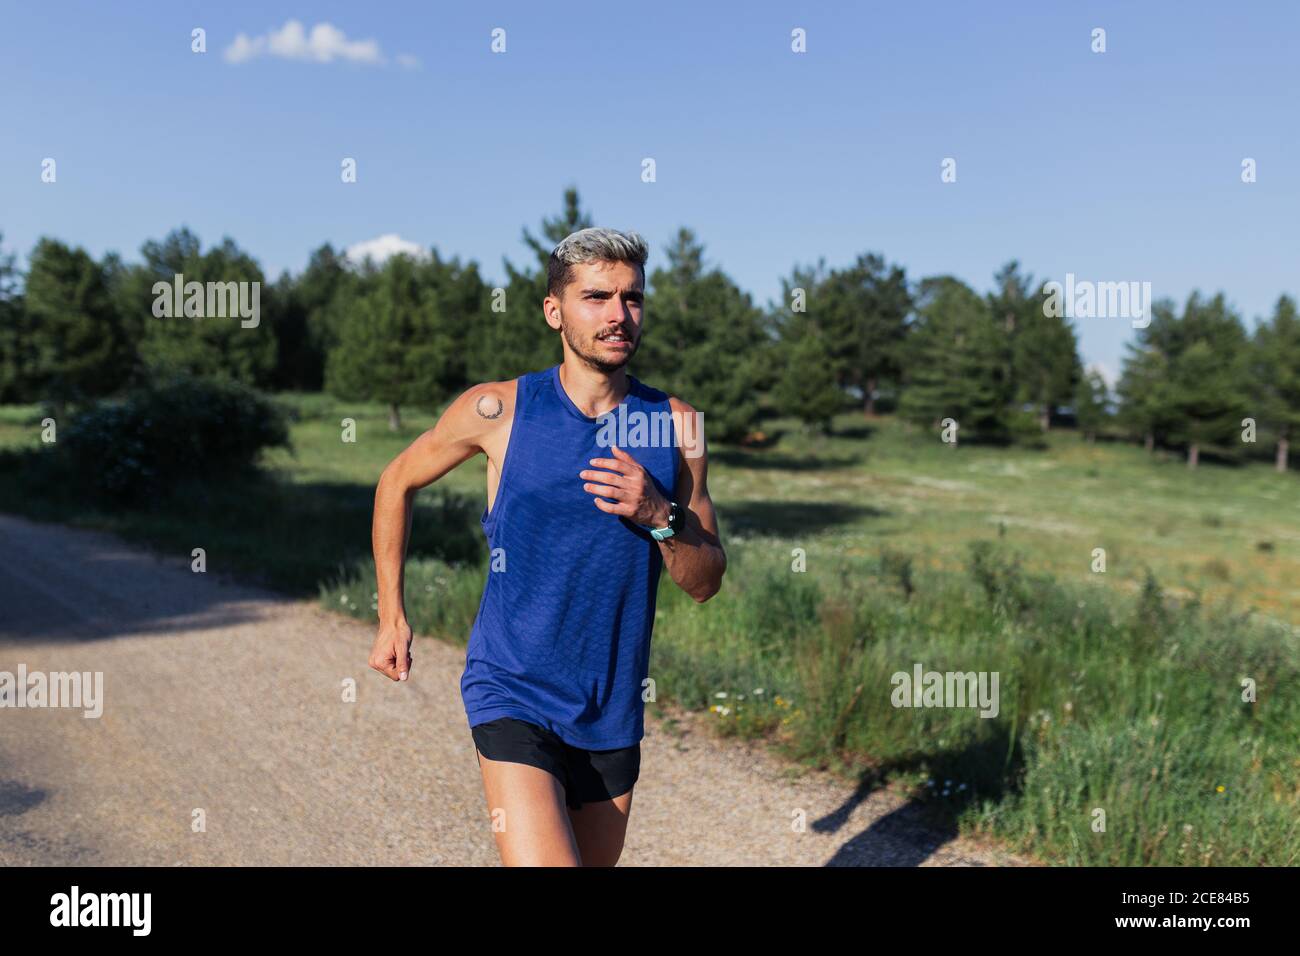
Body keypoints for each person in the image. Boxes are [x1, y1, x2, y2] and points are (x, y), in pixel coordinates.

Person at [369, 227, 727, 865]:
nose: (619, 315)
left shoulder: (676, 425)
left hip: (611, 706)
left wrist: (660, 513)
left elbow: (704, 581)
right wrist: (391, 613)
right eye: (597, 297)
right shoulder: (497, 409)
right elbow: (396, 481)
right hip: (513, 687)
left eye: (633, 298)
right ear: (554, 311)